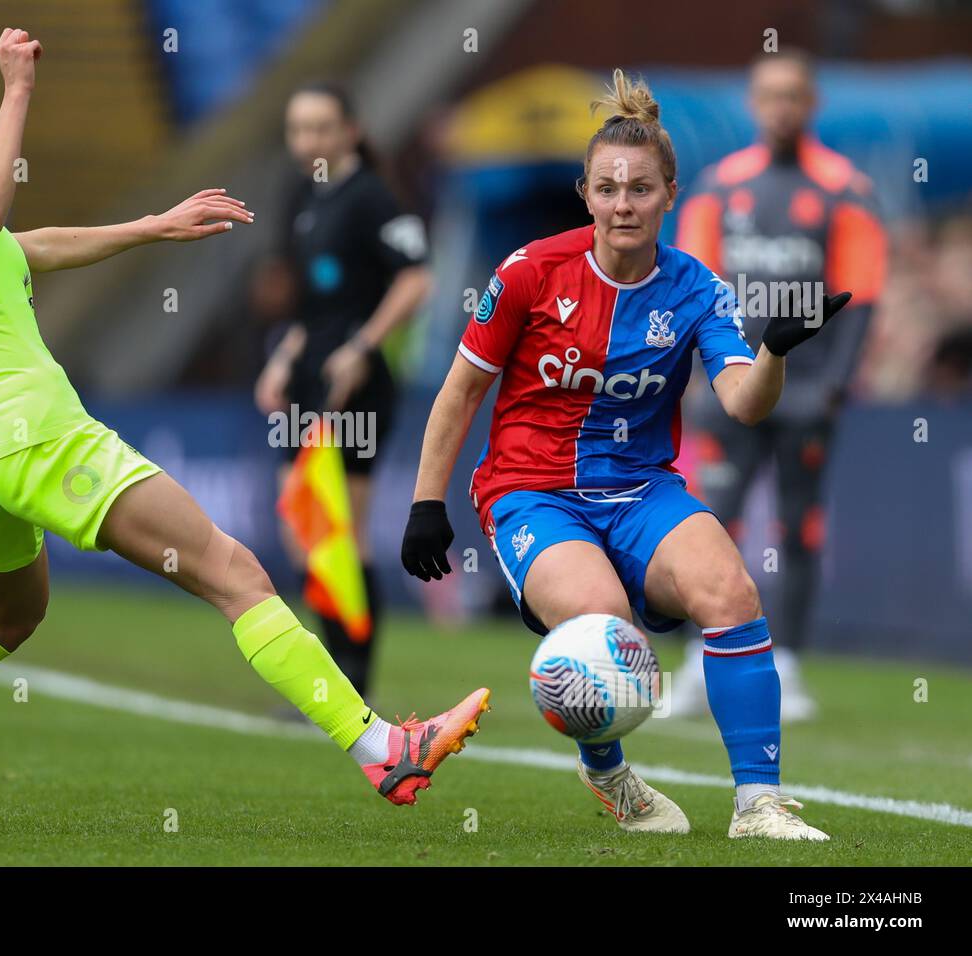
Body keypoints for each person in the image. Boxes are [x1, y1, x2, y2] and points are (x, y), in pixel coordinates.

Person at [0, 30, 488, 825]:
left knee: (9, 618)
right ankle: (384, 753)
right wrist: (20, 86)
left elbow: (24, 248)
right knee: (237, 576)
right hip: (35, 435)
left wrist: (151, 227)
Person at [400, 68, 851, 841]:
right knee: (602, 626)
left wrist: (774, 352)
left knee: (732, 590)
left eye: (640, 188)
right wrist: (426, 503)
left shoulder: (698, 289)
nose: (622, 204)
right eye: (607, 188)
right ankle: (608, 769)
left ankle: (760, 806)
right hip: (532, 491)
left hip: (642, 490)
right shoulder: (528, 273)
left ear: (670, 194)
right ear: (585, 193)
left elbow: (743, 400)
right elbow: (460, 392)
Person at [673, 48, 886, 721]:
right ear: (752, 103)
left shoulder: (845, 189)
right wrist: (695, 377)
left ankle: (785, 665)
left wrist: (836, 385)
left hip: (807, 391)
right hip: (732, 385)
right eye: (770, 96)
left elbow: (864, 296)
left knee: (799, 526)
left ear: (811, 104)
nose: (781, 108)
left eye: (793, 95)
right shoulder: (715, 187)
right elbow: (691, 289)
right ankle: (697, 663)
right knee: (709, 523)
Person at [253, 81, 432, 698]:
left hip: (356, 386)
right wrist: (283, 360)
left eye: (322, 127)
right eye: (299, 129)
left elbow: (415, 280)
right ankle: (330, 674)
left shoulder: (372, 199)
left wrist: (364, 346)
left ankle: (356, 681)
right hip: (306, 379)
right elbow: (311, 308)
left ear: (351, 130)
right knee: (304, 534)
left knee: (343, 532)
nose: (310, 140)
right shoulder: (302, 195)